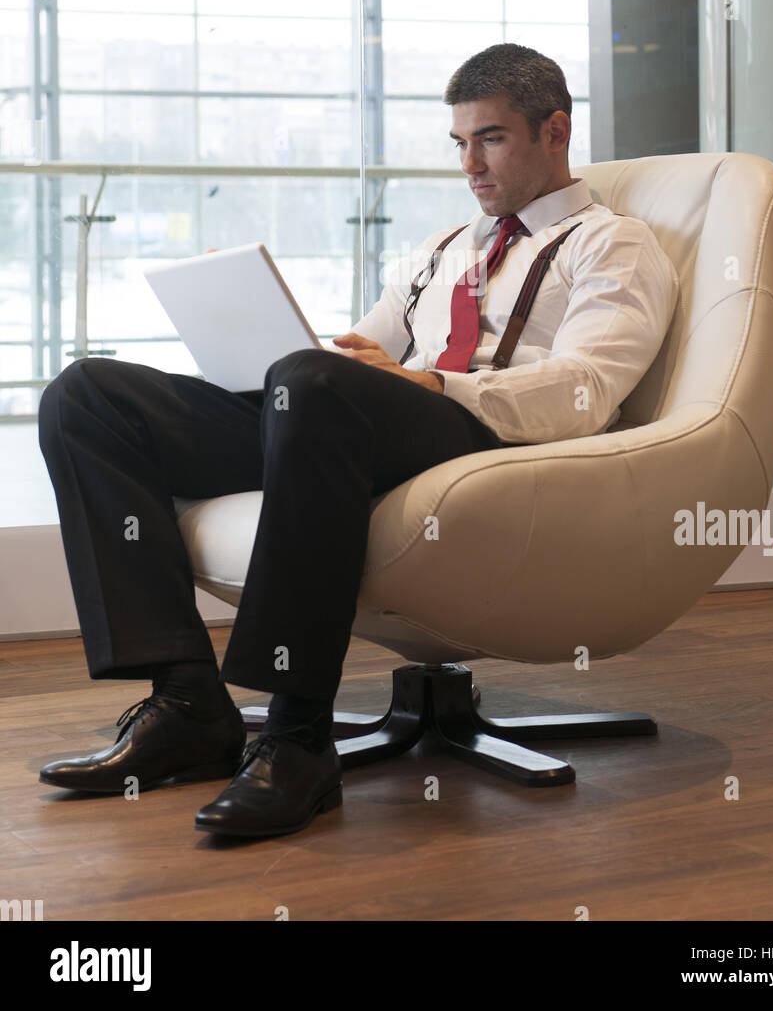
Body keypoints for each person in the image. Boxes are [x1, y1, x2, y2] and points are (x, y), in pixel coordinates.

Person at [35, 42, 678, 840]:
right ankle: (187, 701)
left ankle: (298, 740)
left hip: (487, 435)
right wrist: (279, 352)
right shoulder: (443, 250)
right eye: (460, 142)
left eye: (491, 139)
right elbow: (353, 359)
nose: (470, 165)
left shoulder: (612, 244)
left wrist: (429, 384)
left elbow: (585, 390)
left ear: (555, 131)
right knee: (88, 396)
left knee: (313, 386)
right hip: (359, 423)